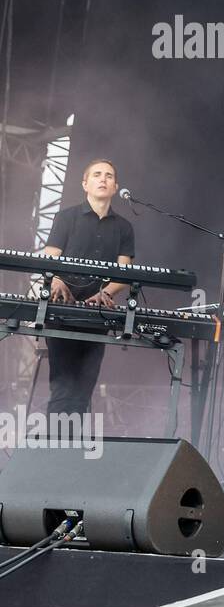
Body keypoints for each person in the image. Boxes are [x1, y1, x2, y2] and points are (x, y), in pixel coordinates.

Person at [42, 159, 135, 417]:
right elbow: (48, 259)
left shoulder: (124, 227)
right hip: (61, 312)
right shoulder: (66, 217)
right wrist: (56, 280)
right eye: (97, 174)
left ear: (115, 186)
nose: (103, 179)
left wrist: (106, 292)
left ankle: (72, 454)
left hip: (98, 316)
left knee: (82, 395)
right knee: (62, 392)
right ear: (85, 183)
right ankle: (55, 453)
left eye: (109, 175)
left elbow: (124, 273)